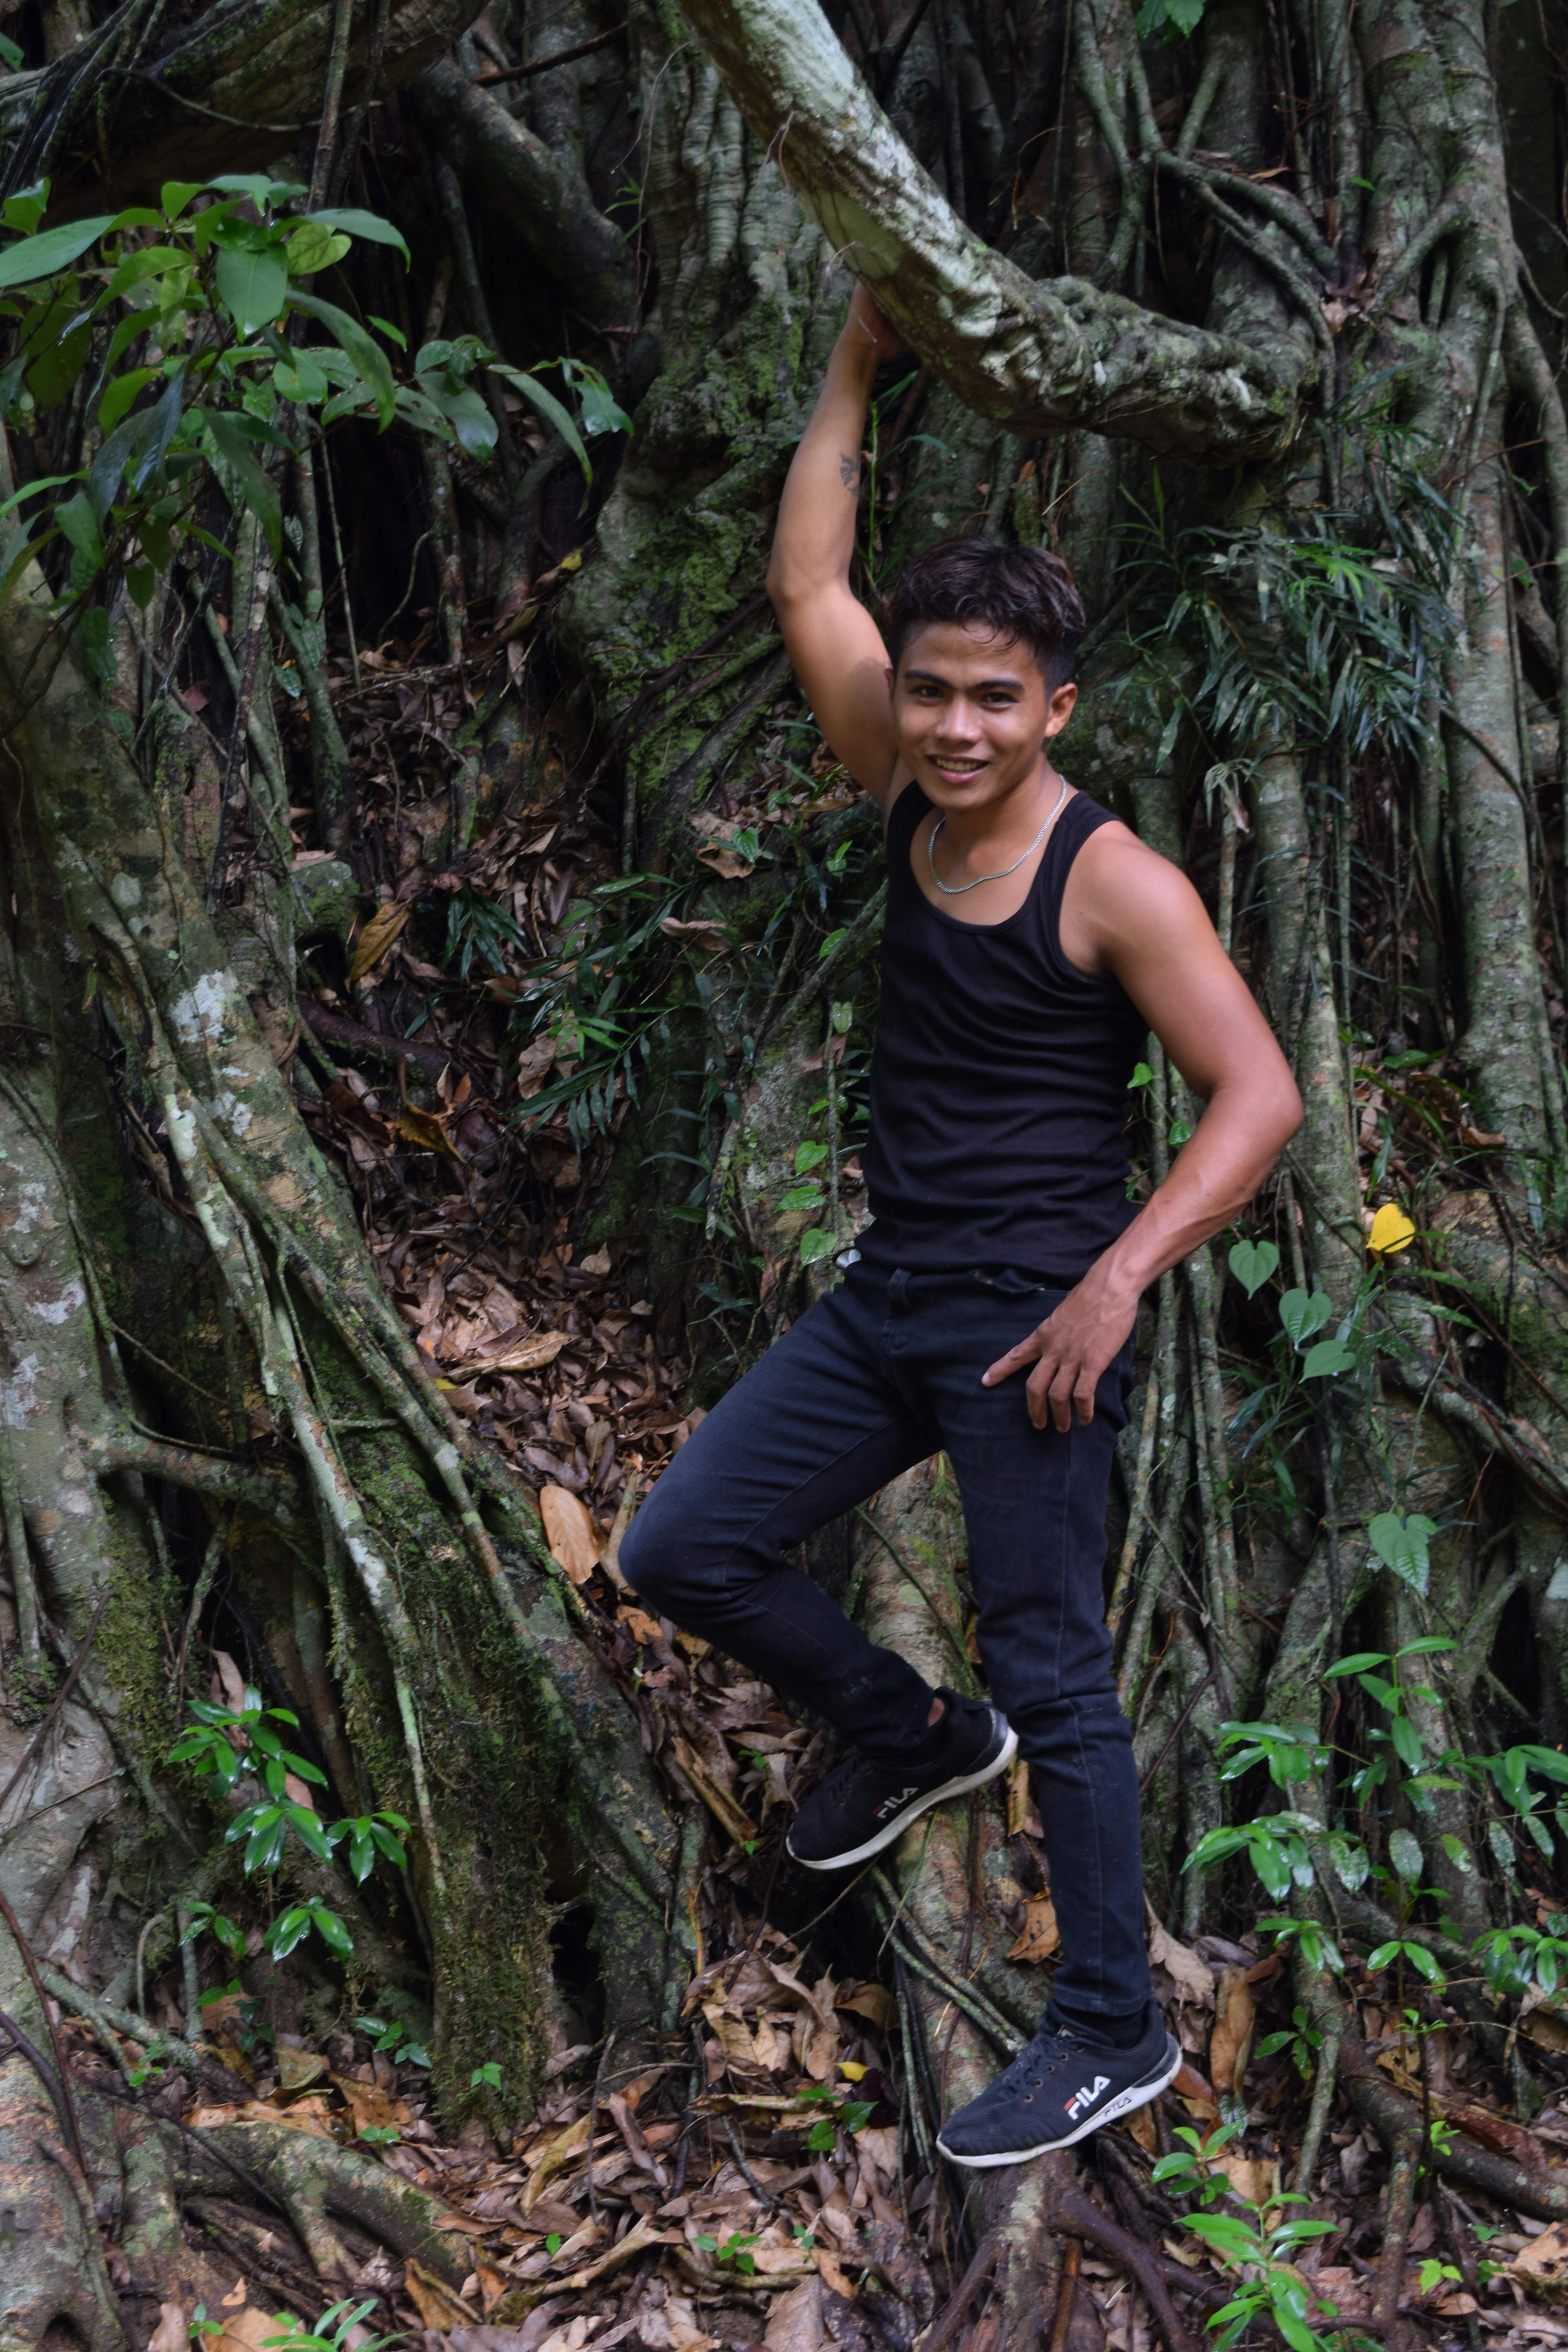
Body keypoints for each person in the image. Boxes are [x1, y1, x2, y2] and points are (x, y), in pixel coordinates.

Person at [621, 284, 1302, 2166]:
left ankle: (1109, 2022)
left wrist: (1115, 1280)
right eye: (930, 688)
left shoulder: (1114, 881)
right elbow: (804, 591)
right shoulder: (905, 785)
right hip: (892, 1298)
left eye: (994, 696)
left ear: (1056, 707)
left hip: (1035, 1326)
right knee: (682, 1542)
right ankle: (919, 1743)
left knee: (1056, 1665)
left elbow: (1258, 1097)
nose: (952, 722)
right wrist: (854, 350)